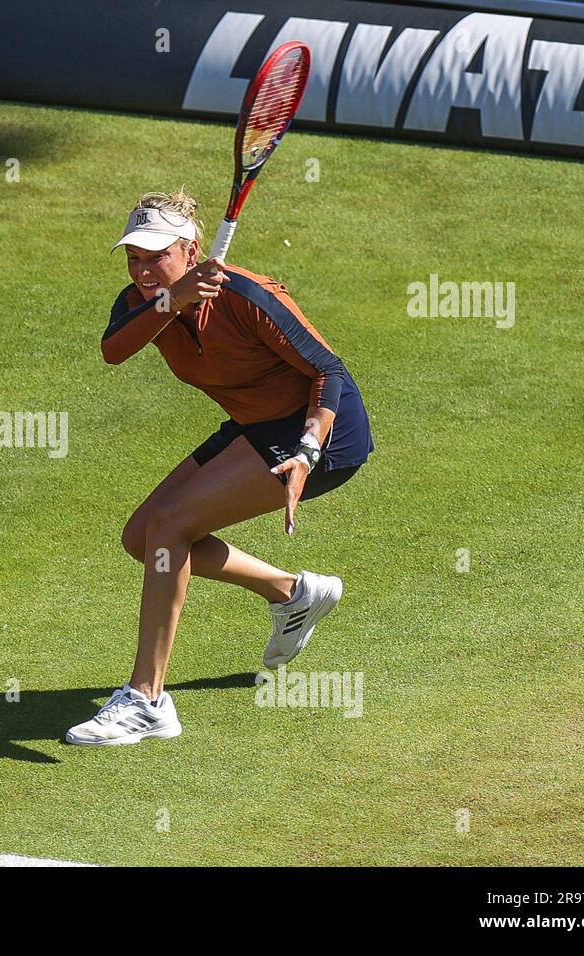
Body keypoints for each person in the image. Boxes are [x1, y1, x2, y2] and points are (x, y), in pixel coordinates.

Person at [64, 190, 374, 746]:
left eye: (156, 256)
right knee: (143, 536)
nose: (142, 269)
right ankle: (293, 593)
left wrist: (306, 451)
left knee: (167, 528)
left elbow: (329, 370)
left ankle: (147, 699)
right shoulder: (146, 301)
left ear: (189, 249)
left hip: (321, 430)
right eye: (133, 257)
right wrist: (171, 300)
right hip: (254, 425)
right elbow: (114, 350)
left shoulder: (246, 295)